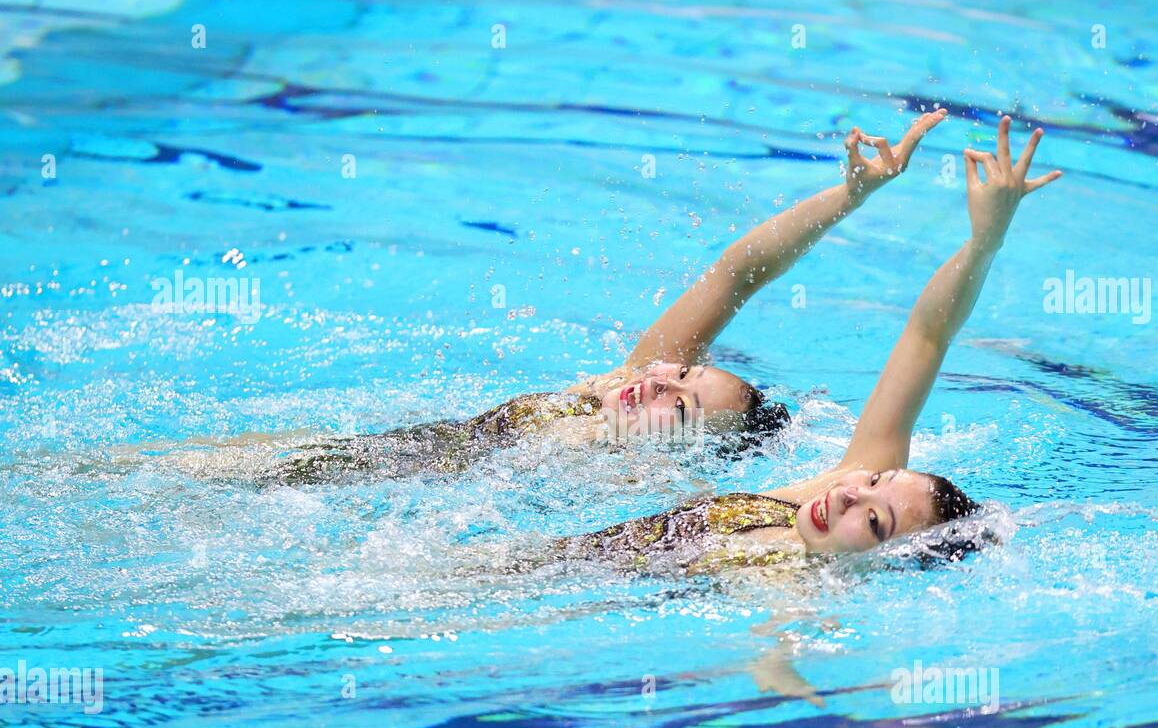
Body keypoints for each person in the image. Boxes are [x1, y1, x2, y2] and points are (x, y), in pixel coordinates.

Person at [254, 110, 951, 484]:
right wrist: (850, 198)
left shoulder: (629, 482)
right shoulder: (616, 388)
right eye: (678, 374)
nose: (655, 383)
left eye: (677, 407)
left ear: (685, 454)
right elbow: (738, 273)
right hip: (355, 458)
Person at [546, 117, 1061, 572]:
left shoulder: (795, 579)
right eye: (876, 481)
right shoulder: (815, 499)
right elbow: (927, 334)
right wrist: (982, 241)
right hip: (514, 559)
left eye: (875, 519)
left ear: (891, 556)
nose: (852, 494)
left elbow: (775, 655)